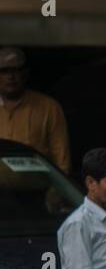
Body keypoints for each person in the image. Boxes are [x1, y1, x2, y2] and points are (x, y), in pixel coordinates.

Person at [0, 46, 70, 175]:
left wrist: (54, 194)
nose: (11, 76)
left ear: (25, 73)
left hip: (36, 191)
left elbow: (62, 162)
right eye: (4, 71)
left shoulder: (49, 107)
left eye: (16, 70)